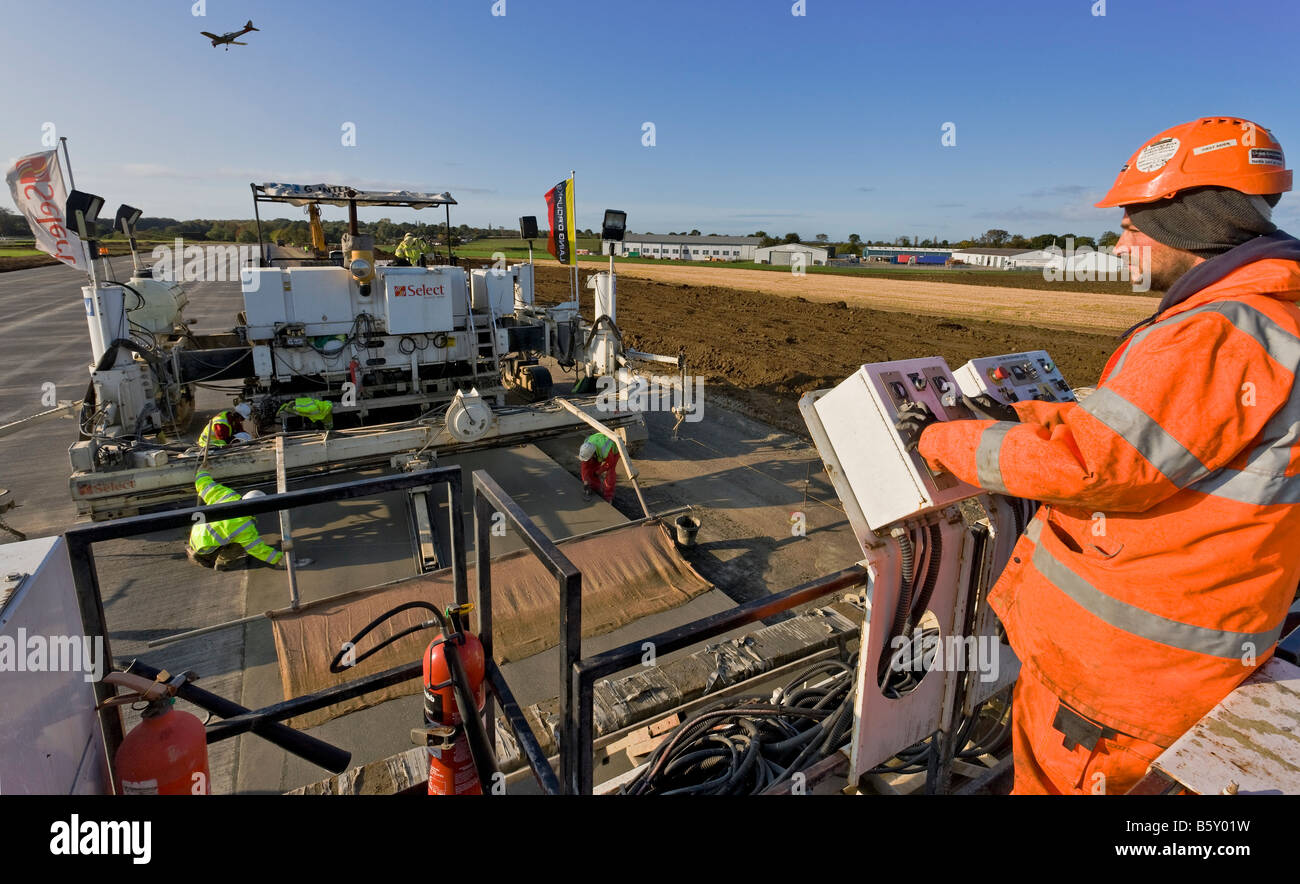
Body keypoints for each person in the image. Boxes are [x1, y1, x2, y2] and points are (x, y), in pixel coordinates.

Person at [895, 117, 1300, 795]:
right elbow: (1156, 437)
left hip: (1122, 684)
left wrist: (937, 440)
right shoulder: (1272, 313)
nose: (1120, 245)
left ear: (1189, 219)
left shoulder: (1214, 330)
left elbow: (1093, 467)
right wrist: (1026, 414)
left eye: (1132, 227)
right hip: (1200, 647)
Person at [186, 469, 285, 570]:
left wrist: (202, 471)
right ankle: (223, 562)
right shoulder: (244, 526)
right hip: (206, 548)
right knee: (242, 545)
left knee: (229, 535)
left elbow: (205, 485)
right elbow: (257, 549)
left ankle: (198, 552)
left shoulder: (227, 496)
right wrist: (278, 559)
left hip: (195, 537)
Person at [578, 432, 620, 503]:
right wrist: (585, 481)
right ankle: (595, 487)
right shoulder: (586, 449)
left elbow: (609, 464)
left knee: (610, 472)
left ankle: (608, 496)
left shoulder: (605, 450)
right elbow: (584, 467)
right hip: (598, 449)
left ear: (593, 454)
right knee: (592, 468)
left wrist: (598, 472)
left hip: (613, 451)